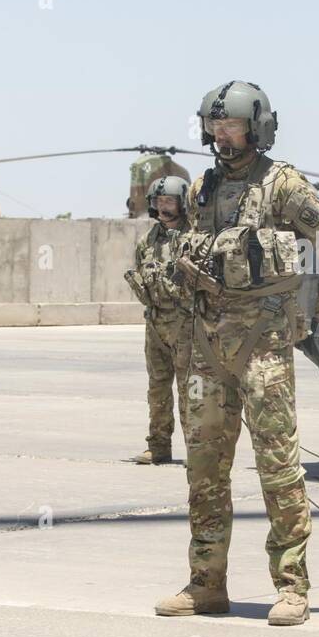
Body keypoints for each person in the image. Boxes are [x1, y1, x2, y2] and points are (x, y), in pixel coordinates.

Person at [155, 80, 319, 626]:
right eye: (216, 126)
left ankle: (292, 588)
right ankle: (205, 584)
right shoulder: (199, 189)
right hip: (205, 349)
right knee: (204, 468)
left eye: (233, 126)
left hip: (263, 347)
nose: (222, 135)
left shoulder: (283, 185)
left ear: (257, 128)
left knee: (278, 466)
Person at [123, 176, 192, 465]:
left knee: (191, 390)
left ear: (182, 203)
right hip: (155, 324)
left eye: (169, 202)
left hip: (186, 325)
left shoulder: (195, 237)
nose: (164, 208)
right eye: (159, 202)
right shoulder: (148, 240)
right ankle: (159, 445)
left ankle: (197, 450)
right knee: (158, 389)